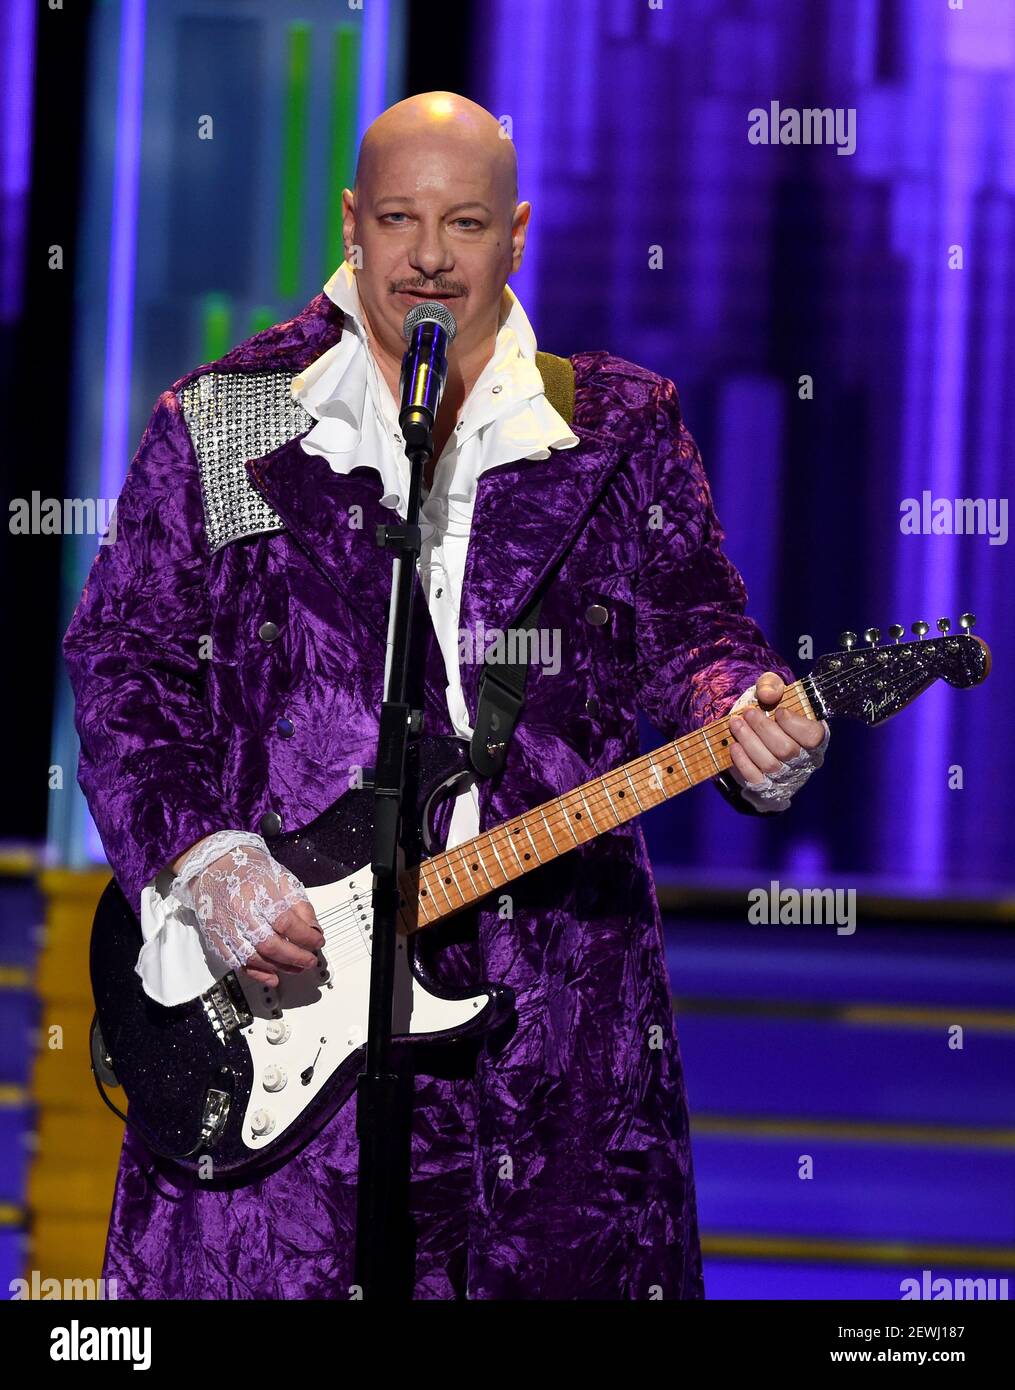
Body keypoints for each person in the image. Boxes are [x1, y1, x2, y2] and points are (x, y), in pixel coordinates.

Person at [63, 92, 828, 1300]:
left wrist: (745, 713)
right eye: (402, 220)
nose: (428, 256)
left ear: (515, 232)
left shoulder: (615, 427)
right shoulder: (236, 415)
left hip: (553, 1036)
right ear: (353, 224)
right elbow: (124, 659)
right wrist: (205, 860)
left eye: (464, 223)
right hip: (286, 1004)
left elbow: (695, 638)